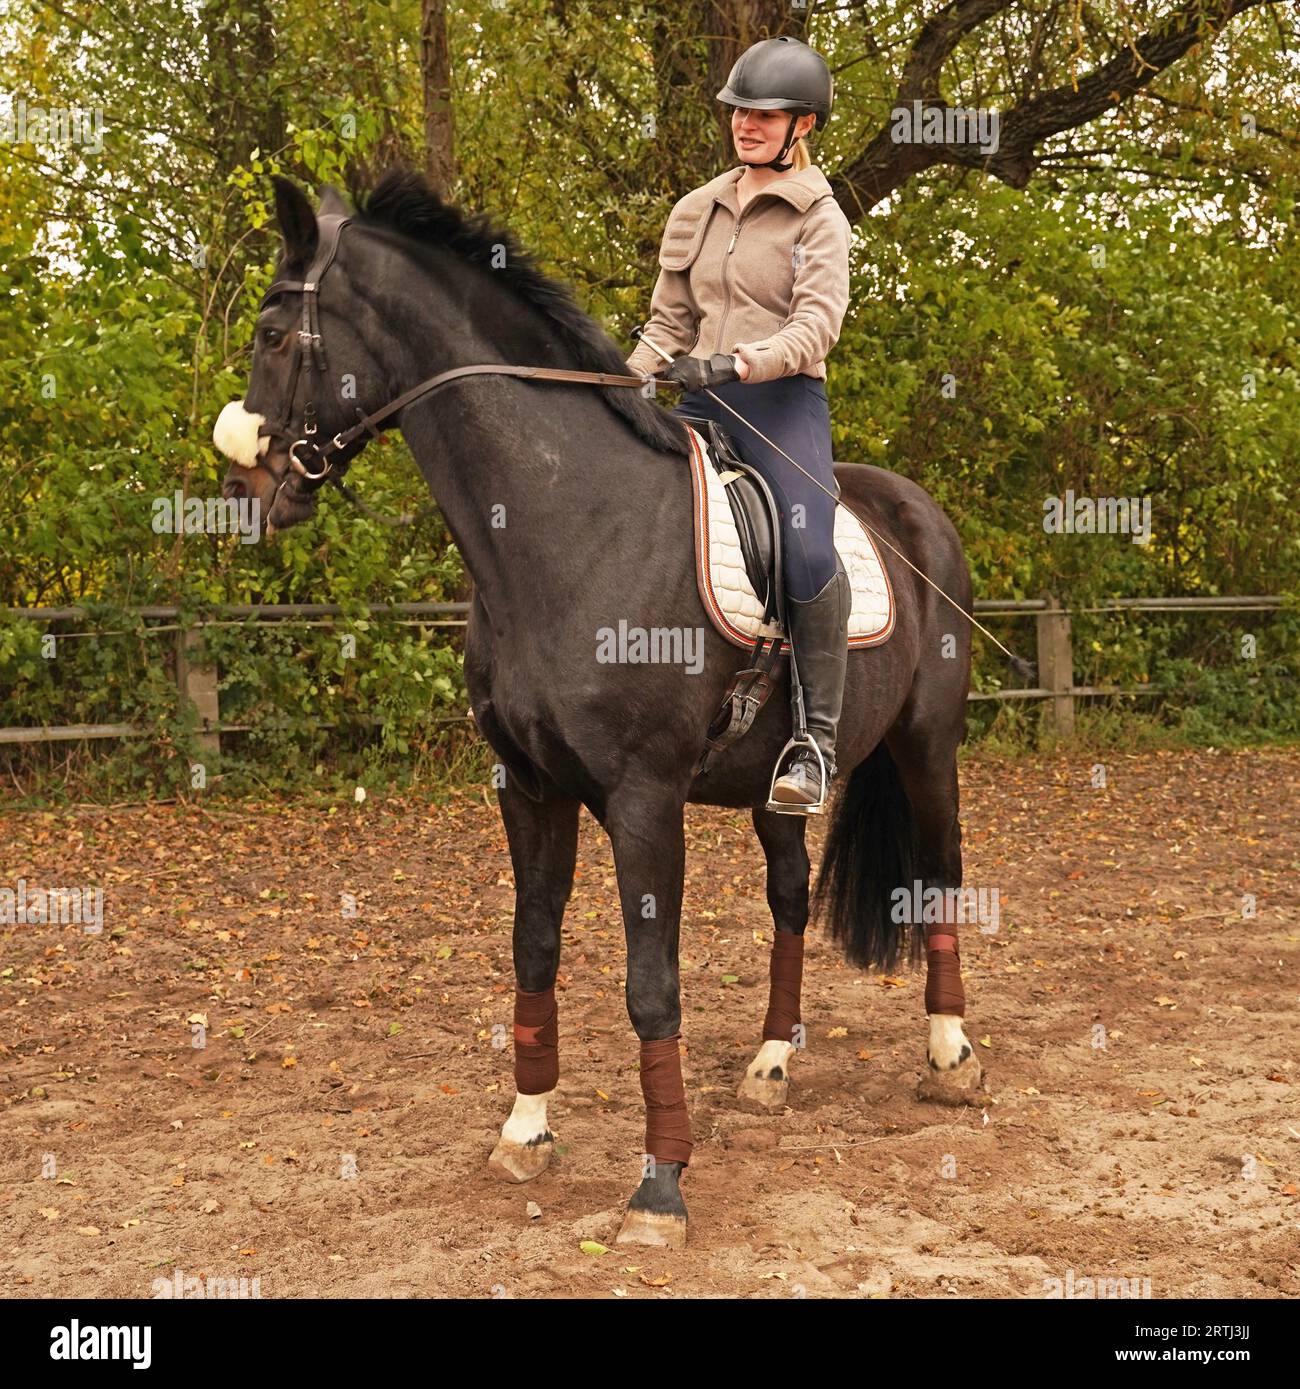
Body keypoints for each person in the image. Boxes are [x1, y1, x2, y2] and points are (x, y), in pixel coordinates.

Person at [625, 35, 853, 811]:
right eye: (738, 112)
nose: (745, 125)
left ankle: (815, 744)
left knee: (807, 542)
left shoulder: (820, 218)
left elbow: (816, 327)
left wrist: (737, 363)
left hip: (779, 403)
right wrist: (620, 383)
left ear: (803, 126)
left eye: (765, 114)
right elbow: (666, 324)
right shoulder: (695, 208)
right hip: (696, 401)